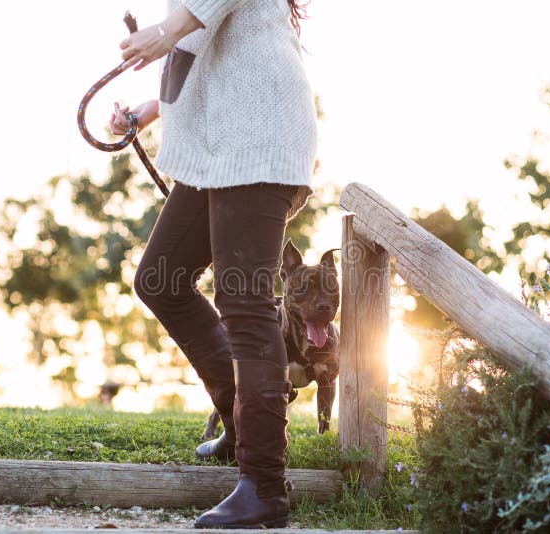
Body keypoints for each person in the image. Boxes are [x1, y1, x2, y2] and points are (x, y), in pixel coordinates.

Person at [111, 0, 316, 529]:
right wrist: (150, 108)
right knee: (161, 280)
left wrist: (163, 29)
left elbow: (199, 18)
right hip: (216, 149)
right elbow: (213, 56)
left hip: (255, 143)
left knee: (244, 307)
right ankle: (239, 422)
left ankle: (265, 486)